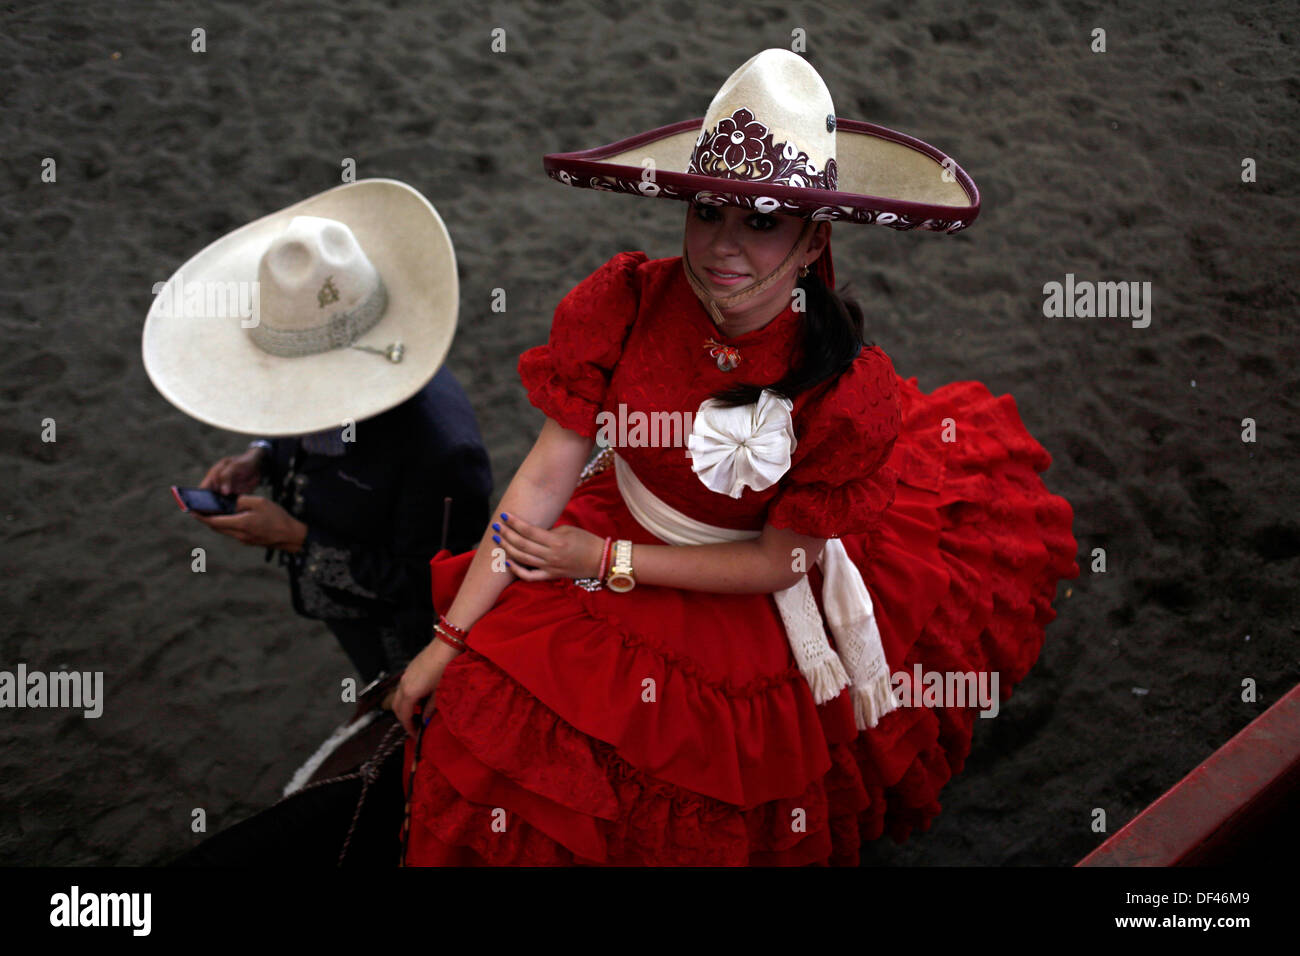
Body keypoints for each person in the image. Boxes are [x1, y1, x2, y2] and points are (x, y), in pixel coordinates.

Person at [393, 49, 1079, 866]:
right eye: (708, 211)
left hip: (734, 585)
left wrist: (603, 559)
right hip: (612, 530)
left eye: (761, 222)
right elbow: (545, 472)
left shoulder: (847, 392)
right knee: (490, 717)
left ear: (811, 239)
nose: (723, 247)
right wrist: (450, 635)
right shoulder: (624, 303)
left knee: (709, 794)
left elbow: (780, 563)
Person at [143, 179, 492, 687]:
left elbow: (438, 586)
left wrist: (297, 540)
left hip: (405, 636)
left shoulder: (441, 453)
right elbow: (300, 413)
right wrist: (261, 455)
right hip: (344, 607)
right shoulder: (352, 381)